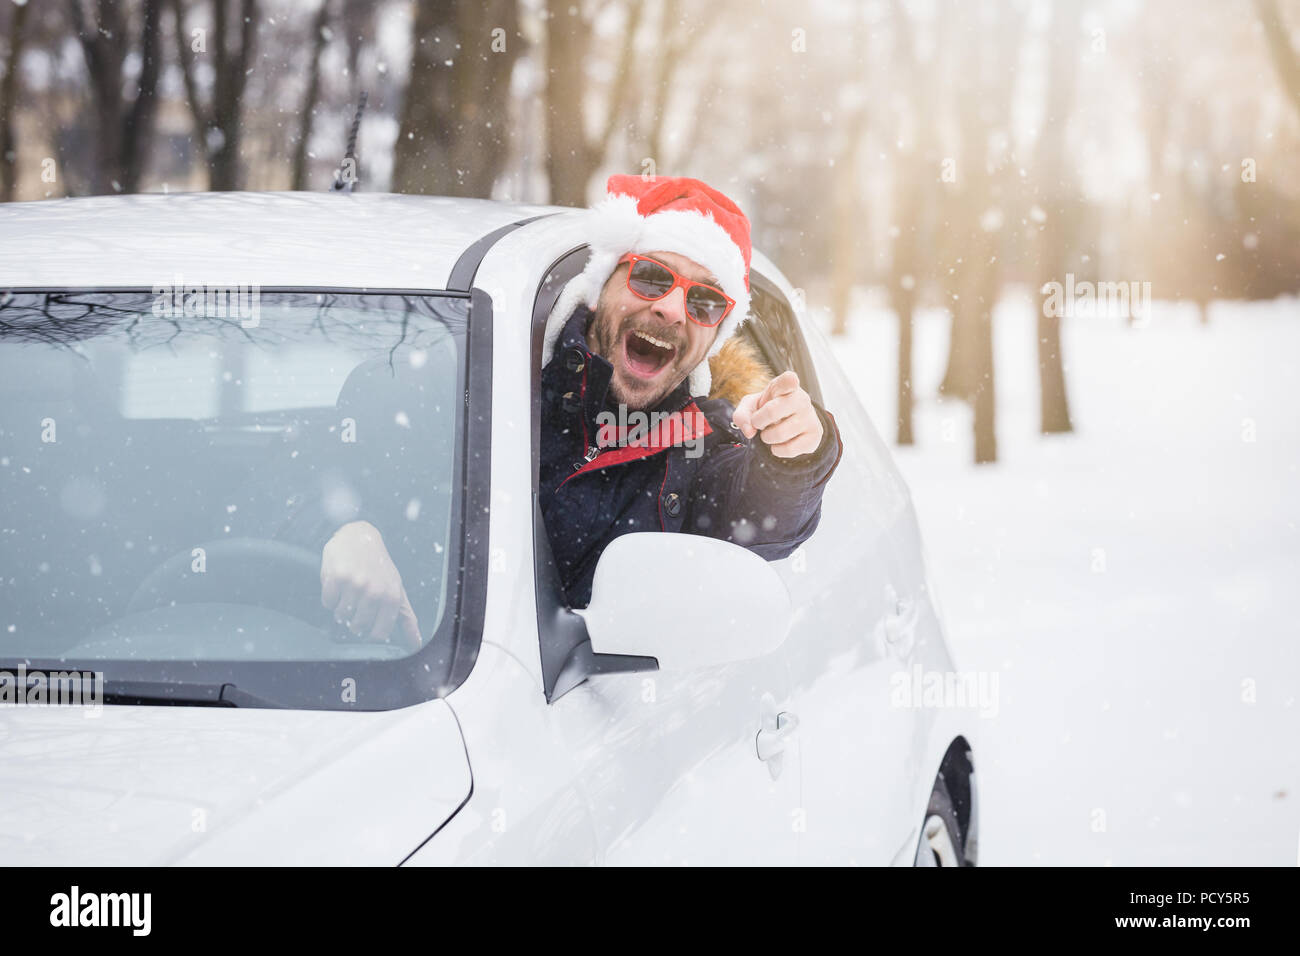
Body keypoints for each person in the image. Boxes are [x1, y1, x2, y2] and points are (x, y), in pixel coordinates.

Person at [320, 173, 843, 639]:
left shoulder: (700, 446)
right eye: (651, 276)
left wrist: (796, 455)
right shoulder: (455, 387)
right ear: (600, 288)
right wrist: (344, 531)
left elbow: (760, 521)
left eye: (705, 302)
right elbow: (296, 482)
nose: (670, 308)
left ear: (713, 338)